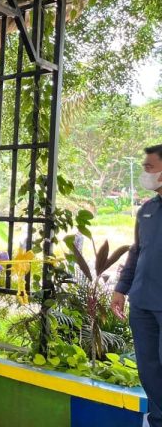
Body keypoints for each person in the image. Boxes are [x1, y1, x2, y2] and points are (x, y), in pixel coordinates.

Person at [112, 144, 162, 427]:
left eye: (150, 167)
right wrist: (121, 288)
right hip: (142, 305)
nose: (145, 173)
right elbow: (136, 251)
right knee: (149, 370)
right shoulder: (146, 210)